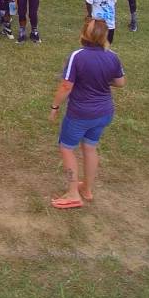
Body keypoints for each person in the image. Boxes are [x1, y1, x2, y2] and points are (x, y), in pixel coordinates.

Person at [49, 19, 125, 209]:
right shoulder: (113, 56)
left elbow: (66, 86)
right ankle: (87, 189)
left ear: (85, 34)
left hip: (80, 114)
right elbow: (120, 82)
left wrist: (55, 107)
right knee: (90, 148)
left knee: (66, 148)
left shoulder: (78, 56)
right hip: (104, 113)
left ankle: (73, 193)